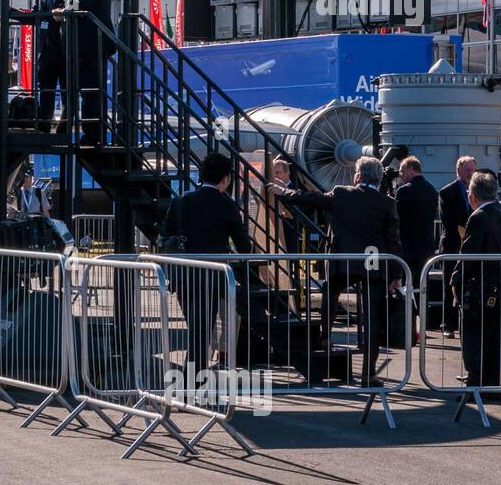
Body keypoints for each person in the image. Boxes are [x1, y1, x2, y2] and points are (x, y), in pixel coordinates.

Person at [271, 156, 403, 386]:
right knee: (371, 319)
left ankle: (324, 336)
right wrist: (396, 273)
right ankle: (368, 374)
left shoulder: (342, 193)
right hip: (373, 263)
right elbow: (394, 241)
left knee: (330, 294)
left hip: (342, 259)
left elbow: (311, 199)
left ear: (359, 176)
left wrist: (283, 192)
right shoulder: (387, 202)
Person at [161, 152, 252, 376]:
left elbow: (164, 235)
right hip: (211, 274)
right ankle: (192, 382)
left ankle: (193, 380)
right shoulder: (226, 205)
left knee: (196, 327)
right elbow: (244, 245)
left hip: (183, 273)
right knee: (203, 330)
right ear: (226, 178)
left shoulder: (181, 201)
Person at [451, 170, 501, 395]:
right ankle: (493, 384)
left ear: (473, 196)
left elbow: (468, 254)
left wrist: (456, 281)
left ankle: (475, 384)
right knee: (497, 340)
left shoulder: (478, 217)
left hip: (480, 289)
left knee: (473, 338)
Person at [55, 0, 112, 146]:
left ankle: (93, 135)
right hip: (90, 42)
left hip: (91, 42)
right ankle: (92, 133)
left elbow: (81, 3)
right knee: (90, 90)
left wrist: (62, 12)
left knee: (91, 90)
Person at [394, 156, 439, 320]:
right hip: (426, 246)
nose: (400, 174)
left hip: (408, 246)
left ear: (411, 169)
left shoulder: (405, 190)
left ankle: (410, 323)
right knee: (423, 286)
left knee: (407, 286)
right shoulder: (431, 190)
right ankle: (424, 321)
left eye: (402, 171)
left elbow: (396, 216)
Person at [437, 155, 477, 332]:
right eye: (467, 170)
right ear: (459, 170)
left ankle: (470, 322)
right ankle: (449, 323)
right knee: (450, 283)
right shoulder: (447, 192)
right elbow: (449, 221)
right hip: (454, 244)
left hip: (474, 245)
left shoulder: (479, 190)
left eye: (472, 170)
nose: (470, 173)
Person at [31, 0, 69, 129]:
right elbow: (34, 15)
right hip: (45, 51)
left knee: (66, 92)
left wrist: (62, 14)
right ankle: (44, 126)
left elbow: (74, 12)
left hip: (64, 51)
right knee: (45, 91)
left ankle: (64, 127)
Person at [270, 156, 300, 253]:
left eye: (278, 172)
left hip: (291, 233)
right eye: (273, 173)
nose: (275, 176)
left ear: (288, 173)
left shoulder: (294, 190)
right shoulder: (272, 189)